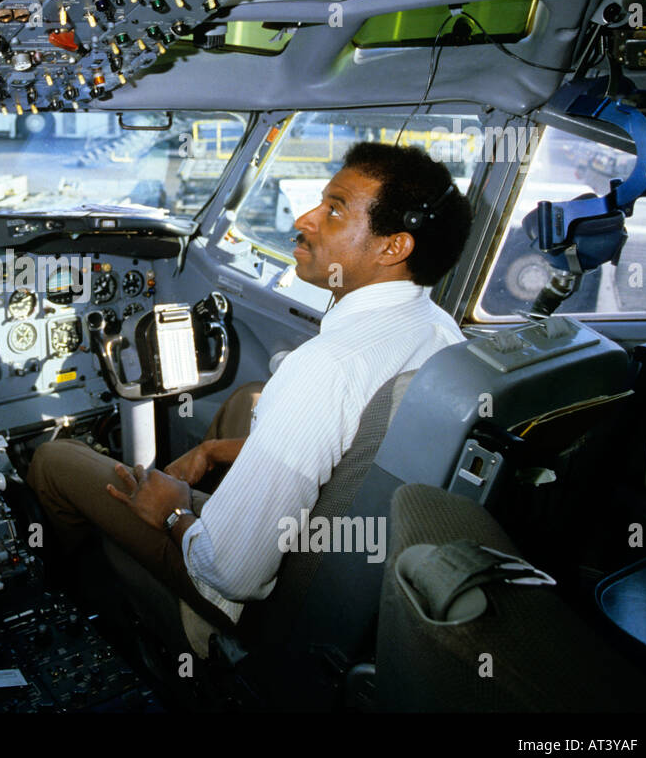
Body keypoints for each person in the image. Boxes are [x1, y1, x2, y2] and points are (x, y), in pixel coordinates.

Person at [28, 142, 472, 641]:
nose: (304, 219)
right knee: (250, 400)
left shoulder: (326, 367)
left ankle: (79, 604)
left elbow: (233, 575)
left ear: (394, 247)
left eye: (333, 209)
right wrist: (217, 450)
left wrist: (174, 511)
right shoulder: (439, 330)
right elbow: (356, 452)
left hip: (256, 599)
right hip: (368, 558)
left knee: (55, 462)